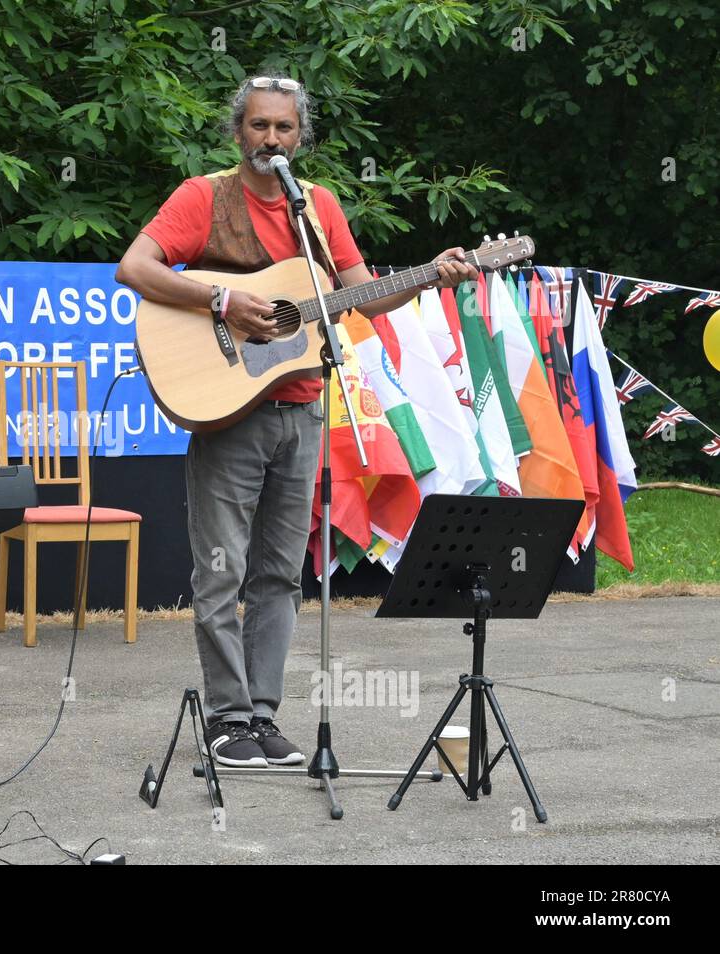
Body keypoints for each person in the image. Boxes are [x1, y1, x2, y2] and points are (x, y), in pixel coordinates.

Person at [115, 74, 477, 767]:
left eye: (284, 129)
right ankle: (225, 720)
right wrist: (221, 300)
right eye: (259, 126)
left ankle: (262, 716)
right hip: (227, 414)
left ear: (299, 137)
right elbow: (135, 267)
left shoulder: (319, 208)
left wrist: (432, 273)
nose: (270, 140)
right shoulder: (204, 197)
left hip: (302, 407)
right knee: (221, 570)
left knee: (280, 572)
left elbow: (363, 299)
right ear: (238, 131)